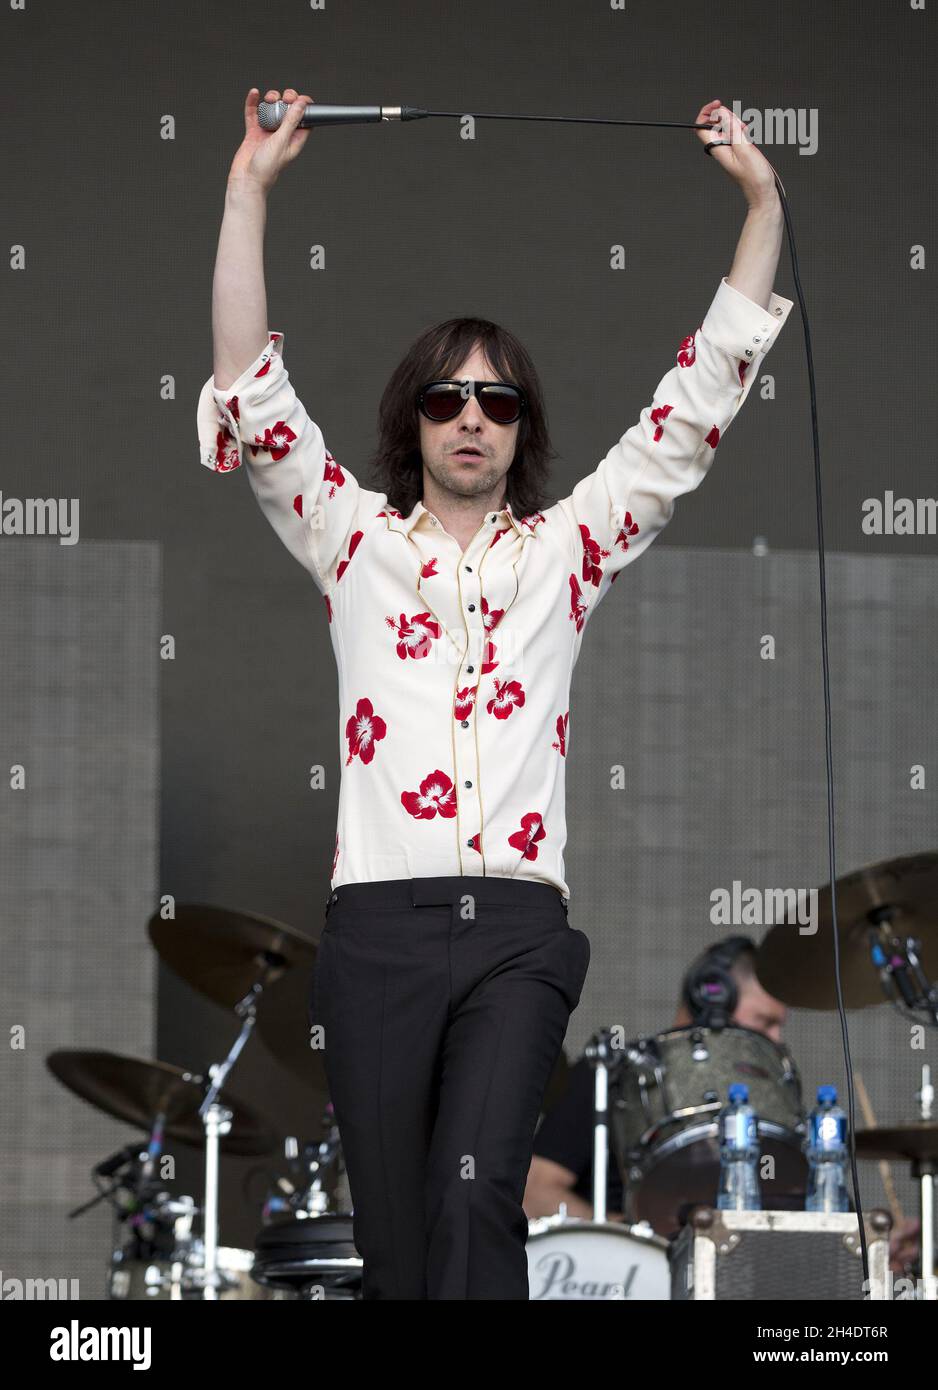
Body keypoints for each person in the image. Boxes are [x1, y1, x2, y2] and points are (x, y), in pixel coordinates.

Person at [197, 86, 791, 1299]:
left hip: (516, 932)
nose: (472, 417)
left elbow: (695, 402)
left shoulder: (567, 549)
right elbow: (251, 391)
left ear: (523, 431)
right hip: (375, 934)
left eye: (498, 400)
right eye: (446, 397)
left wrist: (761, 199)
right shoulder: (348, 538)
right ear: (411, 421)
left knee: (478, 1188)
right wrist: (247, 191)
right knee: (402, 1244)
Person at [524, 936, 921, 1275]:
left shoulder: (772, 1094)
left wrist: (874, 1245)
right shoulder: (615, 1072)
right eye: (765, 1022)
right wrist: (634, 1233)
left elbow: (817, 1214)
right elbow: (533, 1190)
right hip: (631, 1278)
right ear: (710, 998)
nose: (777, 1039)